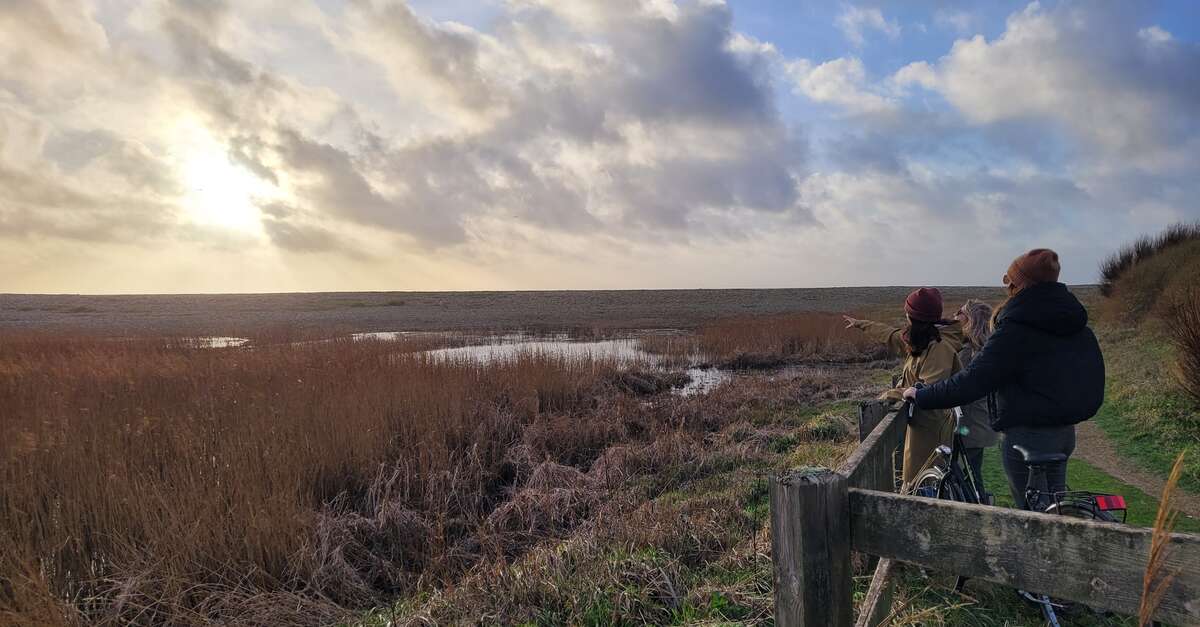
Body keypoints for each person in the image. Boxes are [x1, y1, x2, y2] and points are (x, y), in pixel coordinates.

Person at [903, 249, 1105, 509]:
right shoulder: (1074, 324)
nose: (1007, 287)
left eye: (1010, 281)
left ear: (1019, 285)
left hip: (1028, 437)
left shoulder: (1018, 329)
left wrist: (922, 395)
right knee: (1054, 511)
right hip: (1064, 434)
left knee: (1029, 517)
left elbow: (974, 380)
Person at [844, 287, 963, 486]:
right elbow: (890, 334)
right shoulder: (923, 338)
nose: (905, 316)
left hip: (932, 428)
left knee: (924, 484)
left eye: (907, 312)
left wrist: (891, 394)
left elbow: (929, 389)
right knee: (916, 479)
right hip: (921, 423)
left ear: (914, 317)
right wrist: (861, 324)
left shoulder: (939, 348)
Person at [952, 299, 1000, 502]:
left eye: (960, 312)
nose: (955, 315)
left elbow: (953, 386)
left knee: (966, 474)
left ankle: (977, 507)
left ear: (971, 319)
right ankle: (979, 504)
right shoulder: (987, 349)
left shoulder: (969, 353)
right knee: (972, 472)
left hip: (968, 427)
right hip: (980, 425)